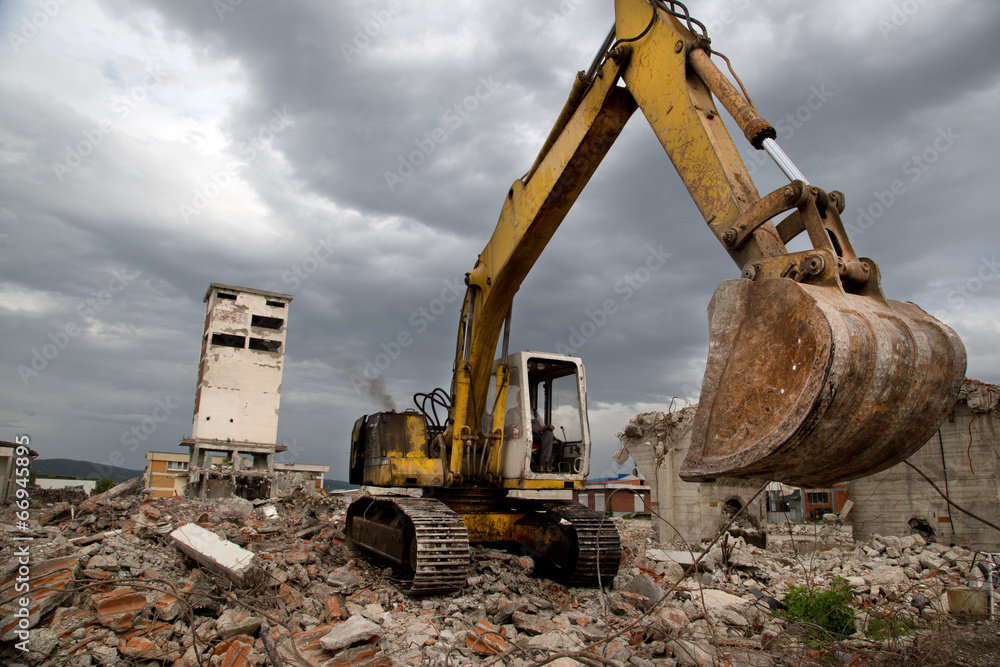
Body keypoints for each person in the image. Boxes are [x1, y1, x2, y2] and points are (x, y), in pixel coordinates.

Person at [531, 406, 555, 472]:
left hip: (535, 436)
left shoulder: (534, 412)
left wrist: (548, 427)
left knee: (548, 434)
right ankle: (530, 463)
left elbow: (543, 427)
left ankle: (544, 462)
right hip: (523, 435)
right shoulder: (514, 412)